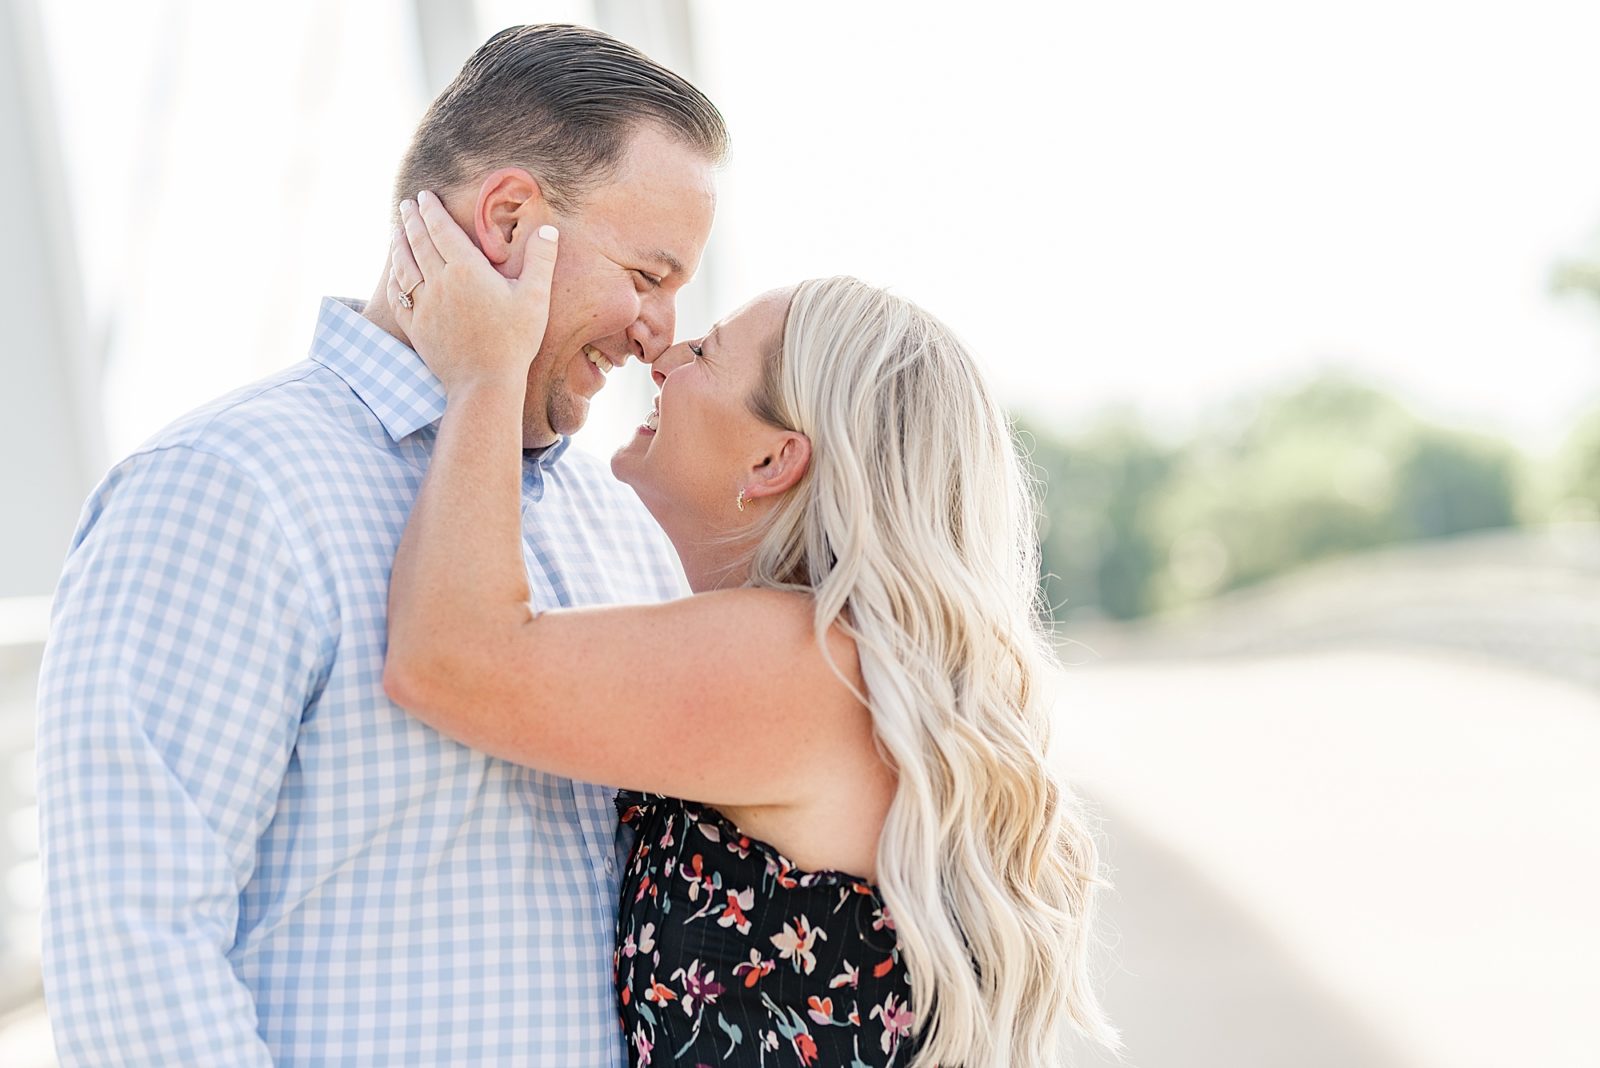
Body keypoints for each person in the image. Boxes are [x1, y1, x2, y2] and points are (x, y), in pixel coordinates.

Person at [35, 24, 725, 1066]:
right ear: (506, 221)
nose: (658, 333)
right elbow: (132, 951)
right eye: (647, 271)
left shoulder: (621, 528)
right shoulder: (228, 488)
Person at [381, 196, 1120, 1067]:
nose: (663, 355)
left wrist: (484, 378)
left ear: (775, 460)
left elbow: (453, 664)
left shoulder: (802, 663)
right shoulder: (840, 663)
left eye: (706, 352)